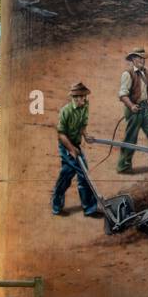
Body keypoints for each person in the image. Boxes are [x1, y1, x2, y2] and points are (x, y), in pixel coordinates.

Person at [52, 82, 101, 217]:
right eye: (78, 97)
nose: (82, 100)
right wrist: (72, 149)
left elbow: (82, 125)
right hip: (66, 145)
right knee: (83, 174)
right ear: (74, 98)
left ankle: (56, 205)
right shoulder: (65, 111)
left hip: (76, 144)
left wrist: (86, 136)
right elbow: (61, 134)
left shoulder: (85, 106)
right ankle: (90, 208)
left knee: (66, 175)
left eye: (83, 97)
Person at [117, 49, 148, 173]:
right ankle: (123, 166)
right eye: (139, 58)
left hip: (145, 107)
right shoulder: (127, 74)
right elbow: (123, 95)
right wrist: (131, 106)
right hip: (133, 108)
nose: (142, 60)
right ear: (133, 59)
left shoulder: (145, 72)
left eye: (143, 58)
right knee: (131, 138)